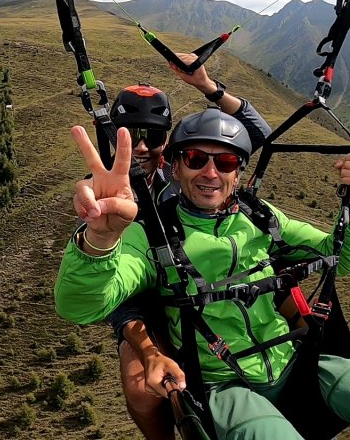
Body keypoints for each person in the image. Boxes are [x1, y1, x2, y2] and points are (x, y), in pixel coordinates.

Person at [56, 109, 350, 439]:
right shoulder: (153, 236)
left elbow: (342, 257)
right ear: (175, 167)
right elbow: (80, 306)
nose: (210, 173)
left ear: (238, 173)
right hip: (225, 384)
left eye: (225, 161)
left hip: (297, 363)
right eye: (196, 159)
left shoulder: (261, 218)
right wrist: (100, 238)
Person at [95, 54, 272, 439]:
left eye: (153, 137)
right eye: (129, 135)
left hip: (195, 283)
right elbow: (115, 293)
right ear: (113, 137)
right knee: (143, 390)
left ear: (169, 143)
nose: (141, 148)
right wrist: (145, 346)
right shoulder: (103, 193)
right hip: (143, 297)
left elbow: (256, 135)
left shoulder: (182, 170)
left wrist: (207, 87)